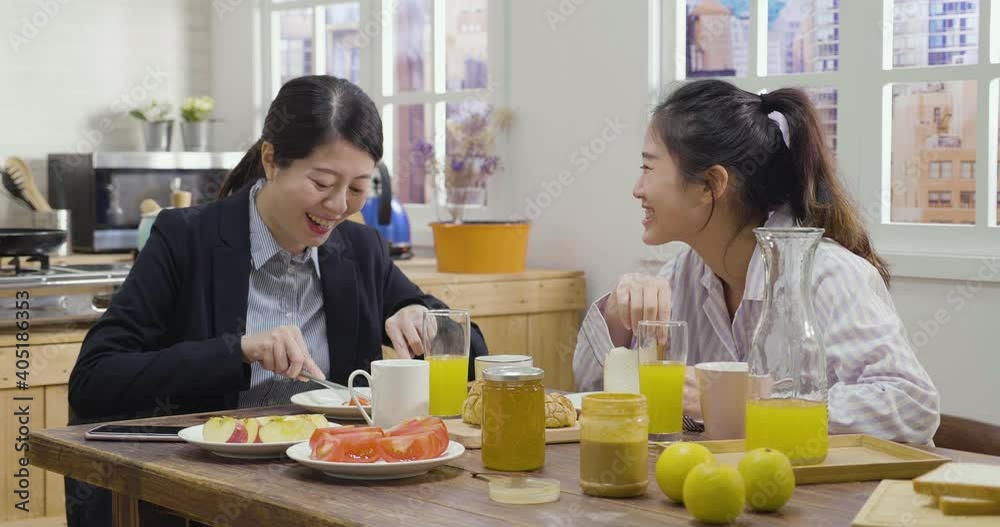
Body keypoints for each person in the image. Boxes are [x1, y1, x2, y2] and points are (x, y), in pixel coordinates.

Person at [66, 75, 487, 526]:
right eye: (323, 182)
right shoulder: (185, 240)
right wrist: (238, 350)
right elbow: (95, 377)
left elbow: (475, 357)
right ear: (271, 159)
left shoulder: (359, 251)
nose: (340, 205)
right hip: (200, 499)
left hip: (332, 497)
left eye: (359, 188)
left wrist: (423, 317)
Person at [573, 79, 939, 445]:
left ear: (710, 184)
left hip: (846, 499)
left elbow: (911, 405)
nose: (637, 188)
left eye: (648, 168)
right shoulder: (682, 275)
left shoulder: (827, 275)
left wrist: (735, 401)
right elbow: (594, 394)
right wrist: (617, 316)